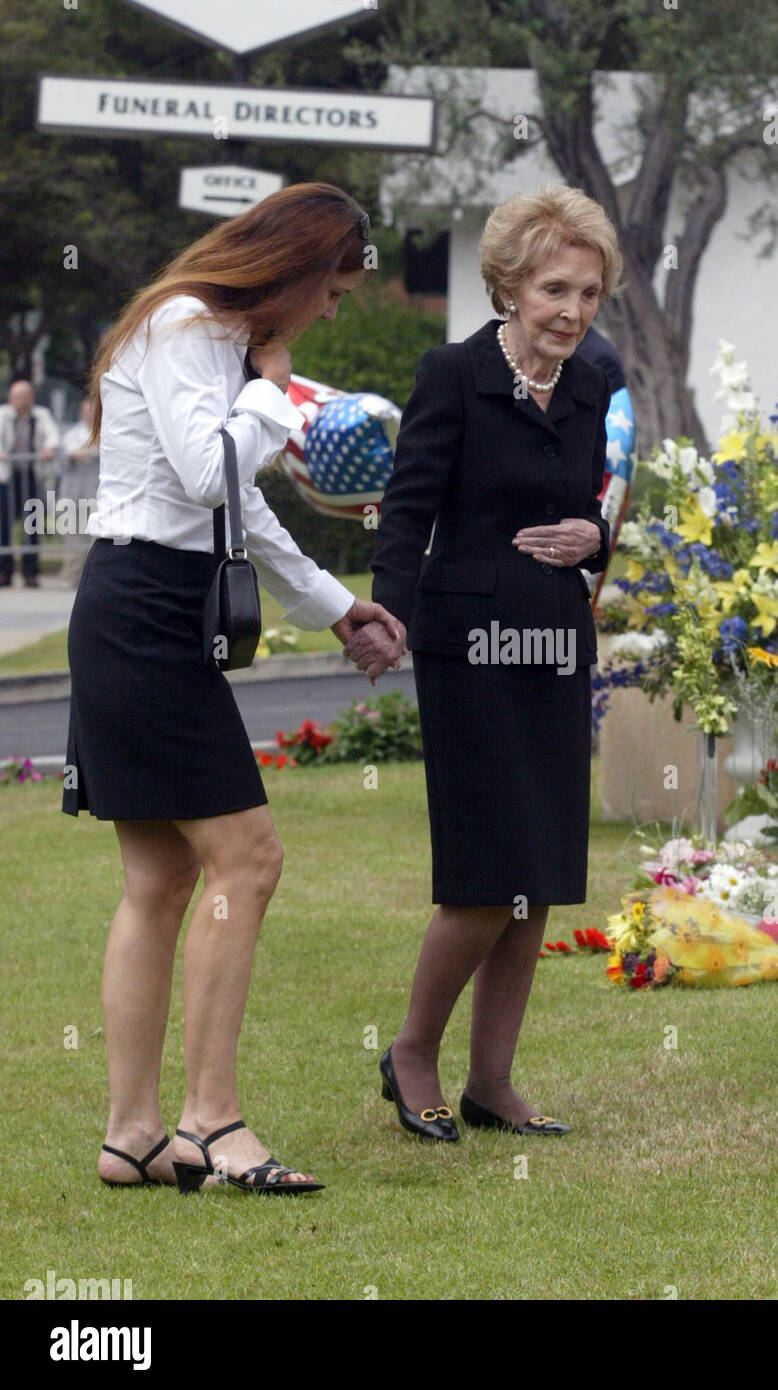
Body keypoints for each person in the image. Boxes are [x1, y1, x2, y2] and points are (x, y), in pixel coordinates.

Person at [62, 182, 405, 1193]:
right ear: (296, 270)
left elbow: (237, 511)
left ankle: (133, 1136)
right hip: (145, 612)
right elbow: (212, 473)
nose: (328, 314)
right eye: (332, 294)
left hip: (149, 604)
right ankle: (211, 1121)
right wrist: (275, 383)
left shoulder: (211, 344)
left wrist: (339, 604)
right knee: (247, 861)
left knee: (164, 879)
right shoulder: (186, 328)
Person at [357, 185, 620, 1141]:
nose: (574, 312)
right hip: (466, 645)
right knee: (481, 875)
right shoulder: (451, 374)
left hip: (554, 641)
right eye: (556, 289)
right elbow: (409, 507)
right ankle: (414, 1051)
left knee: (537, 875)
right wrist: (383, 613)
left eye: (589, 294)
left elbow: (597, 518)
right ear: (508, 284)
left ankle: (492, 1080)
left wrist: (594, 537)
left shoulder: (592, 385)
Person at [0, 380, 60, 587]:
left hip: (31, 475)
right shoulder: (3, 414)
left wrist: (49, 449)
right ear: (11, 398)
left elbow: (53, 435)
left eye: (25, 395)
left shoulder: (41, 414)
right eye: (17, 396)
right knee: (3, 526)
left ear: (32, 398)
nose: (21, 400)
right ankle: (4, 572)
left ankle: (31, 572)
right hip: (7, 476)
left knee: (32, 524)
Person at [57, 399, 101, 589]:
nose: (89, 415)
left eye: (92, 411)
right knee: (74, 540)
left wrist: (86, 453)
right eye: (86, 411)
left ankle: (94, 581)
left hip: (97, 495)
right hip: (72, 495)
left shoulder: (106, 432)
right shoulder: (72, 434)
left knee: (96, 542)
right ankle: (70, 578)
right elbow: (64, 457)